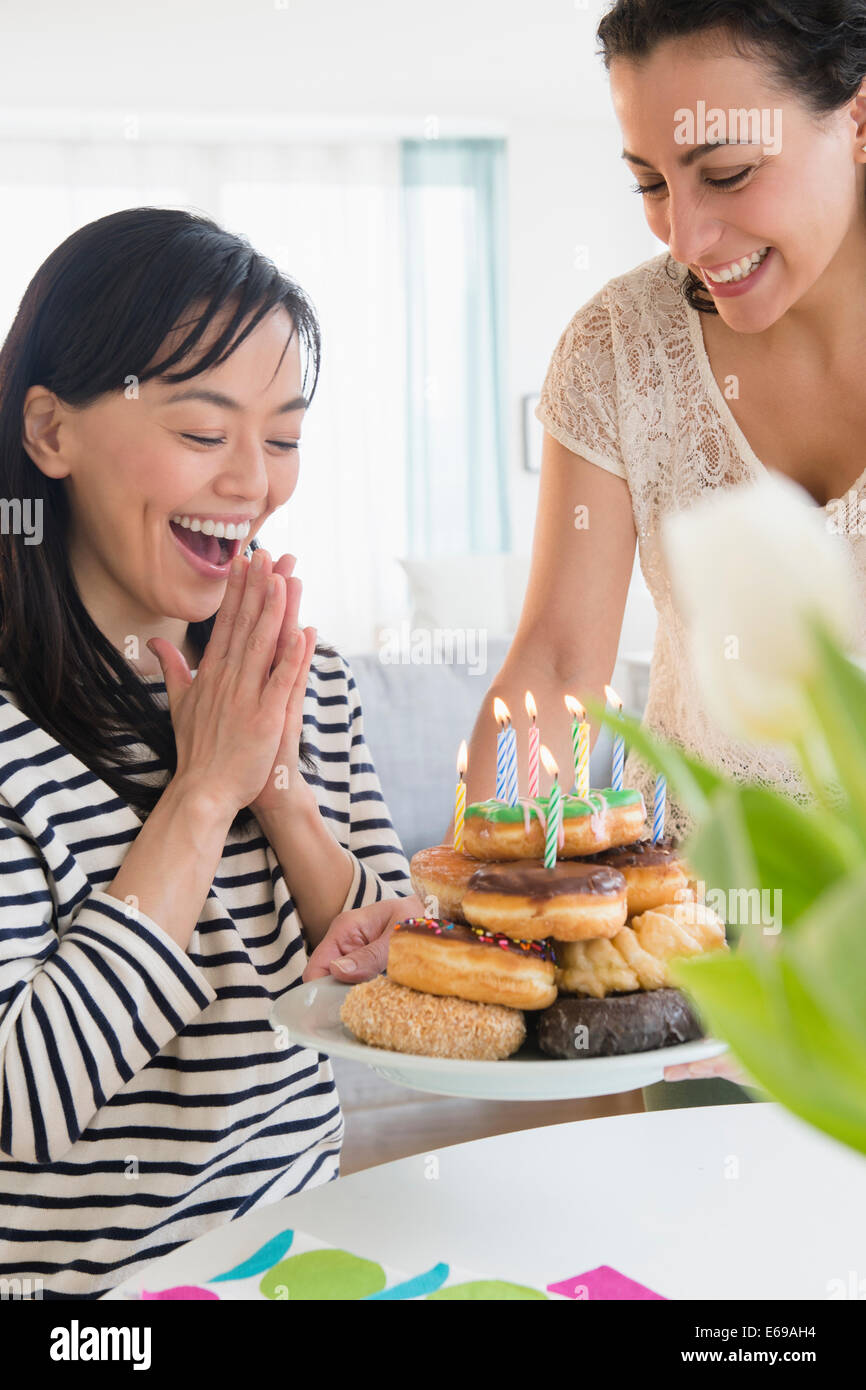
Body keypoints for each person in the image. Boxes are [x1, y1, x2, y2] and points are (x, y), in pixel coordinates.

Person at [0, 207, 419, 1298]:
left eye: (281, 439)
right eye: (202, 432)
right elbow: (24, 1101)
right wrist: (202, 794)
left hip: (313, 1255)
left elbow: (405, 986)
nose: (253, 483)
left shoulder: (300, 676)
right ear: (49, 433)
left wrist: (280, 798)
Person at [464, 0, 866, 1107]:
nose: (683, 236)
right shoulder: (618, 349)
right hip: (694, 978)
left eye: (724, 173)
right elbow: (553, 667)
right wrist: (483, 895)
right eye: (648, 181)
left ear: (857, 119)